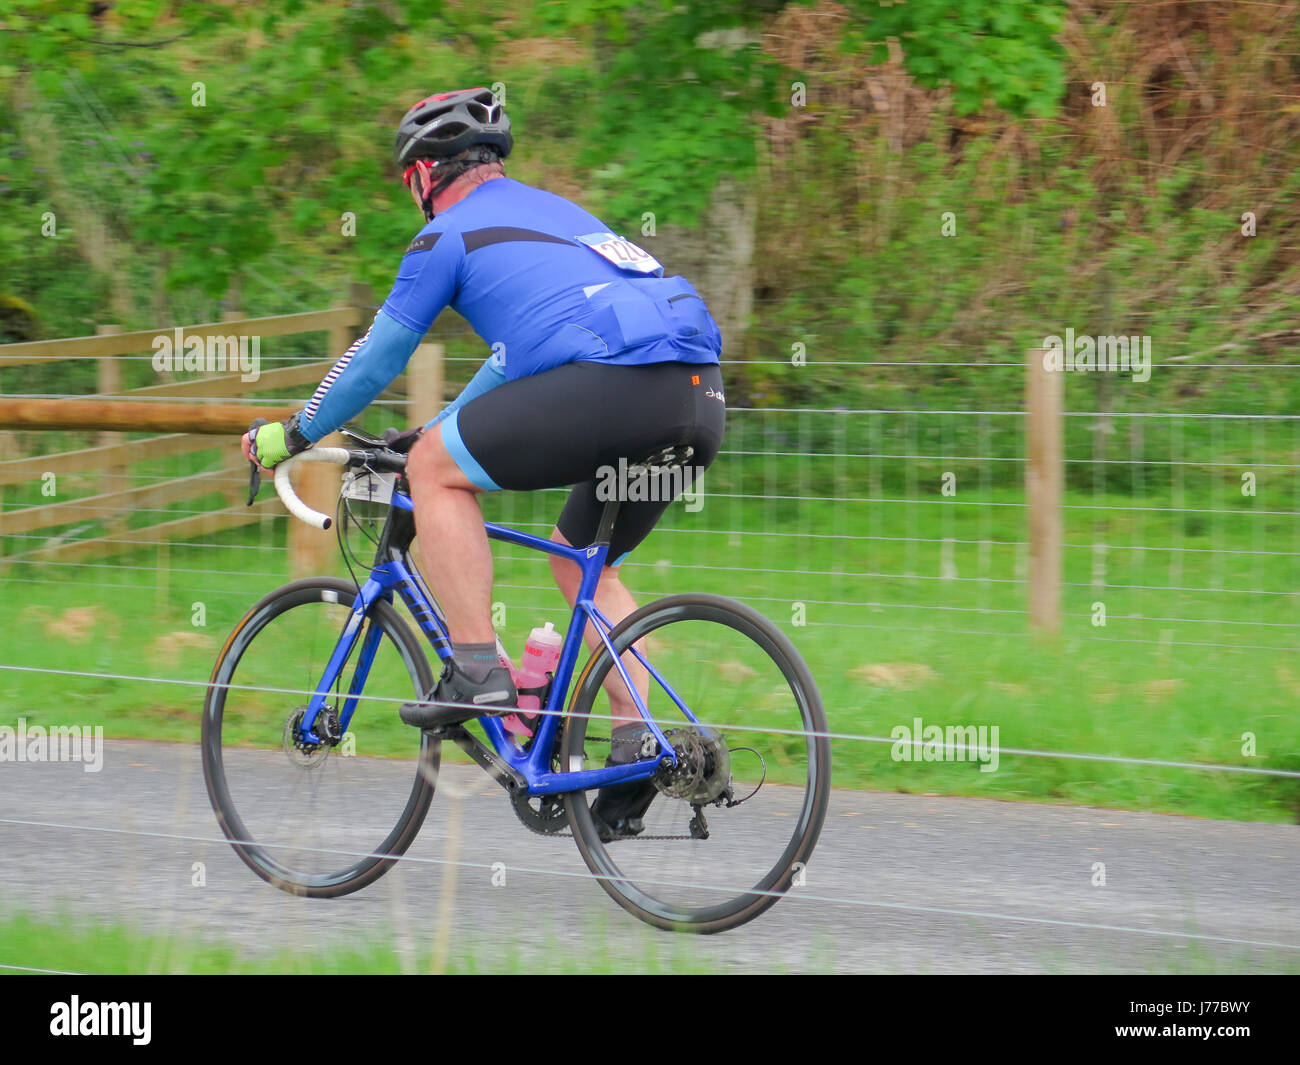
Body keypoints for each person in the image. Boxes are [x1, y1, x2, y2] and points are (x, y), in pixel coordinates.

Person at [242, 88, 725, 837]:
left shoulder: (445, 237)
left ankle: (477, 670)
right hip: (698, 396)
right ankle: (638, 746)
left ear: (423, 176)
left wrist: (295, 432)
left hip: (618, 384)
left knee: (432, 471)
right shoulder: (559, 216)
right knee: (580, 559)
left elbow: (377, 358)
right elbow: (512, 362)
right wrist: (435, 426)